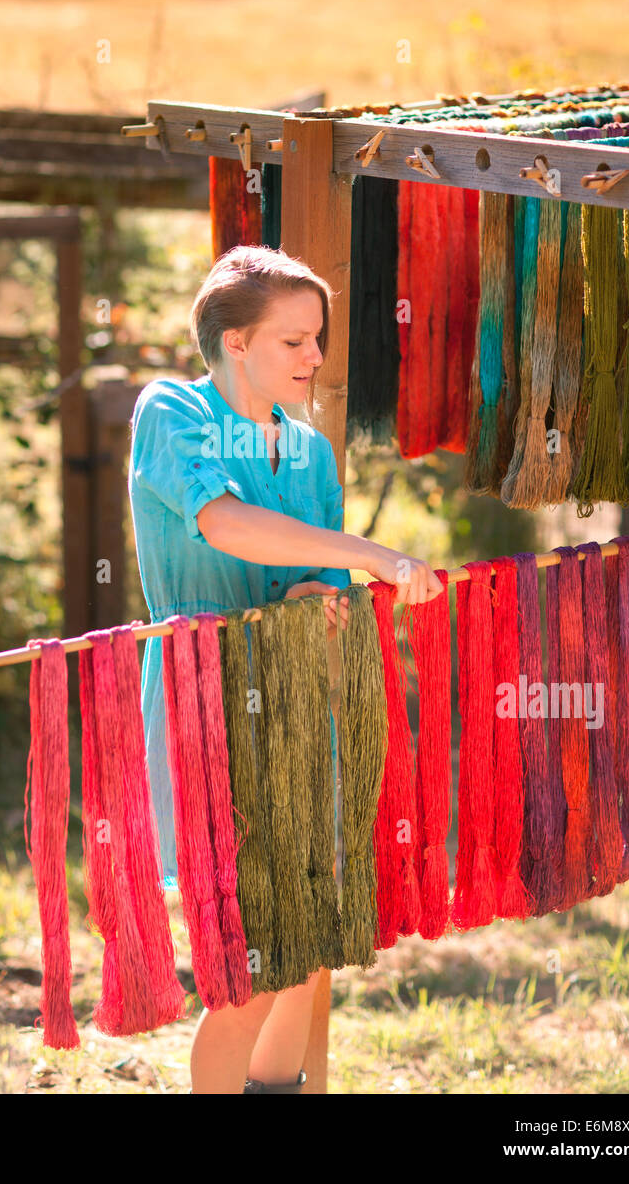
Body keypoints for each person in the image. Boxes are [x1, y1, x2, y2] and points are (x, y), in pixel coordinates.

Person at [128, 245, 443, 1094]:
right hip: (213, 702)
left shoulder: (310, 454)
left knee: (308, 939)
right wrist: (369, 553)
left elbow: (320, 588)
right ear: (235, 343)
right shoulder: (171, 411)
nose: (315, 359)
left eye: (317, 340)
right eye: (294, 342)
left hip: (306, 704)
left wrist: (321, 588)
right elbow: (224, 525)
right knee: (252, 952)